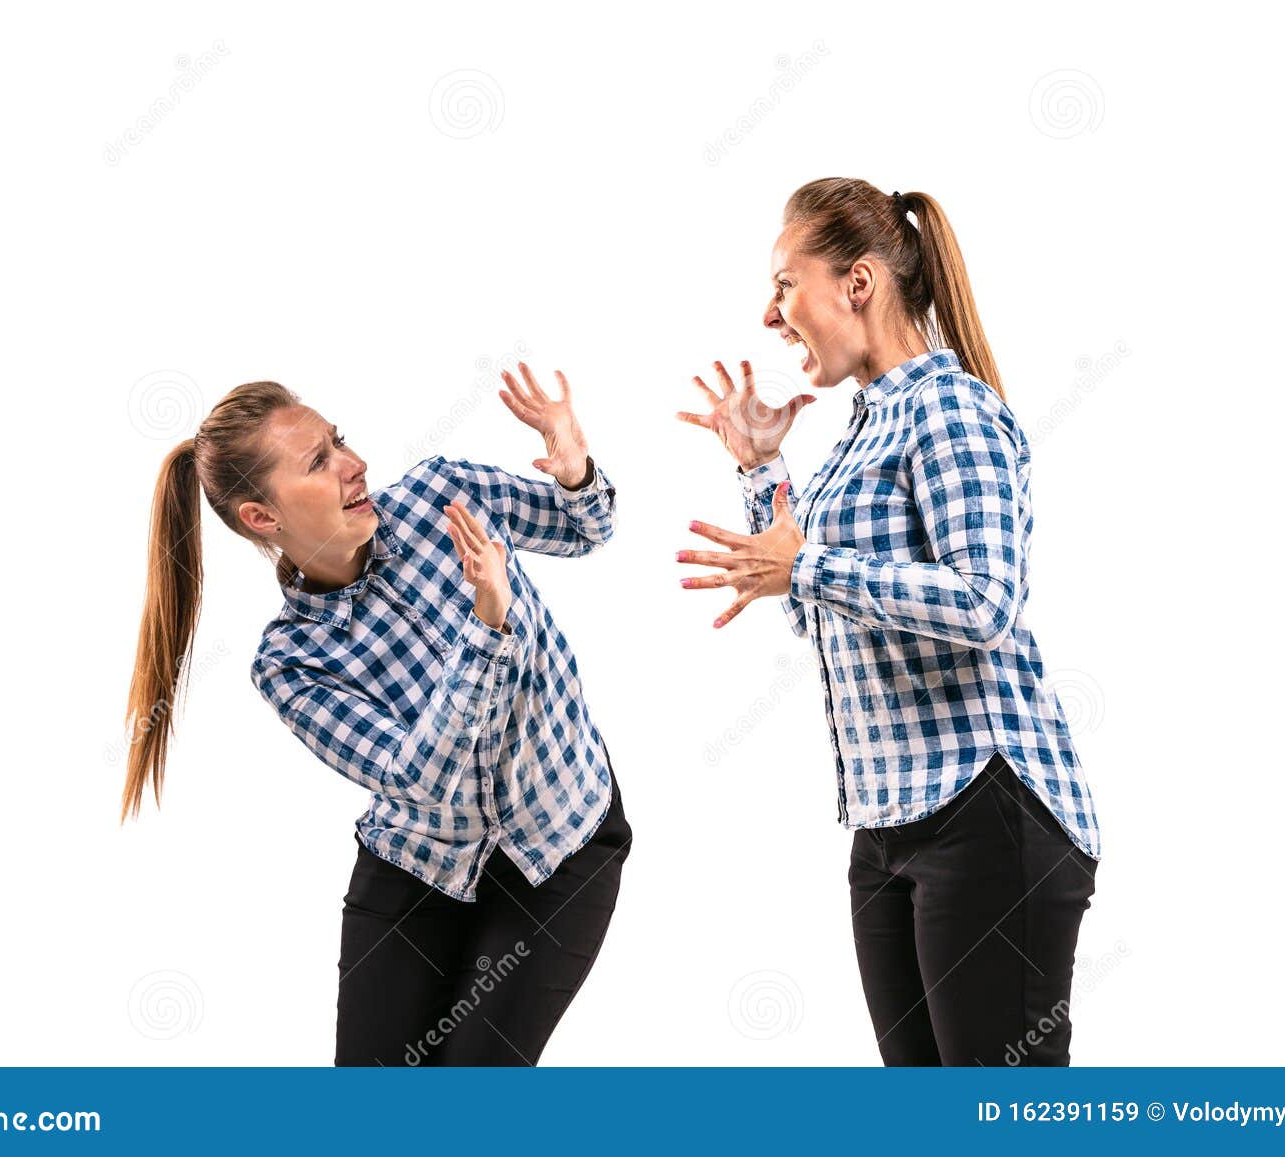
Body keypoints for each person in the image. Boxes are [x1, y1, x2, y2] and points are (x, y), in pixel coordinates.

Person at [676, 179, 1101, 1066]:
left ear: (858, 284)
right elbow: (810, 605)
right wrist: (762, 470)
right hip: (886, 827)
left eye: (786, 283)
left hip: (987, 812)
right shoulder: (862, 433)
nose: (770, 312)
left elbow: (986, 601)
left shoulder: (952, 410)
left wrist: (810, 564)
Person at [121, 363, 632, 1066]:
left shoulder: (442, 494)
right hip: (419, 866)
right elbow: (418, 776)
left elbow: (586, 527)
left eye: (339, 441)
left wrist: (575, 469)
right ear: (262, 517)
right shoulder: (291, 663)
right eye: (319, 462)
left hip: (560, 845)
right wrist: (487, 628)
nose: (354, 466)